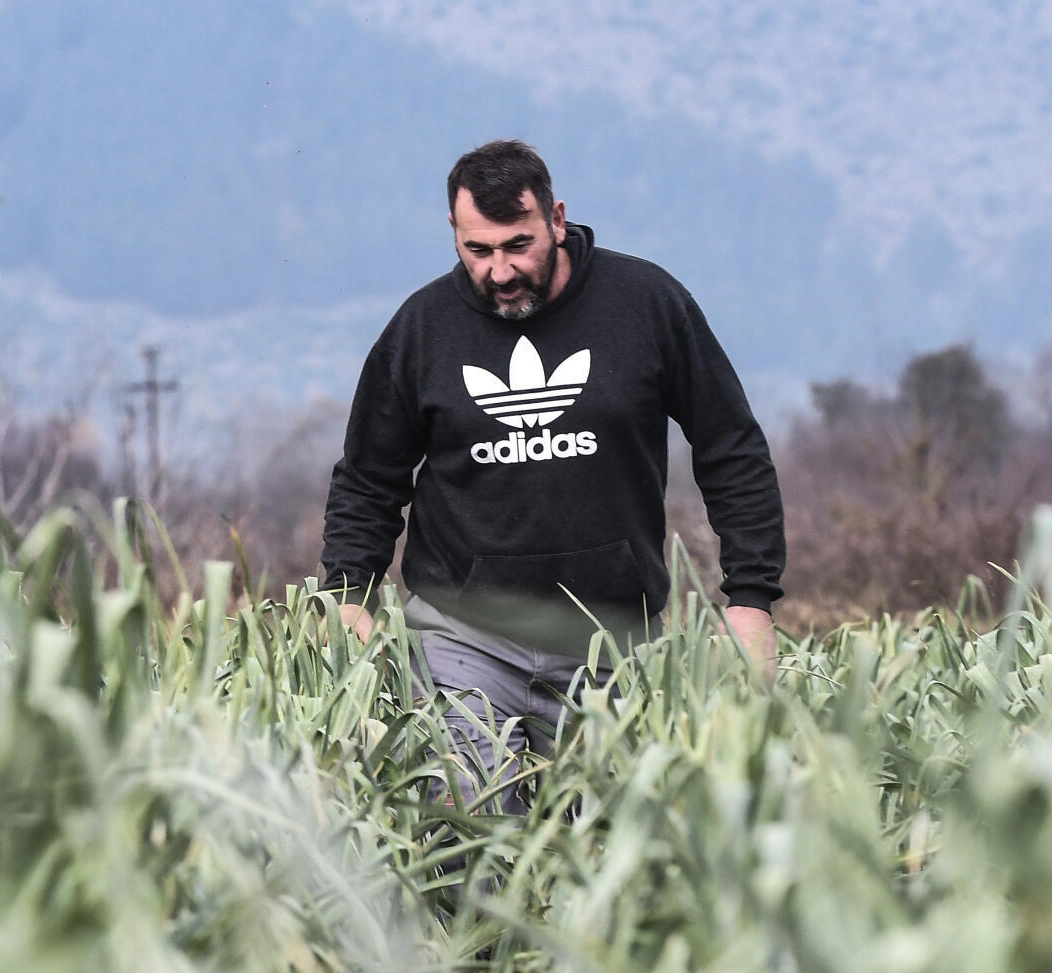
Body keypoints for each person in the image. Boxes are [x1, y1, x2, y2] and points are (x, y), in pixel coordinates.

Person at [320, 139, 785, 811]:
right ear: (454, 235)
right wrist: (346, 592)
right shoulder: (423, 329)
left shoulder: (646, 305)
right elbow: (369, 477)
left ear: (558, 220)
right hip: (463, 636)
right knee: (473, 826)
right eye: (478, 251)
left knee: (616, 849)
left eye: (519, 245)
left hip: (615, 641)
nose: (501, 271)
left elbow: (732, 448)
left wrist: (750, 599)